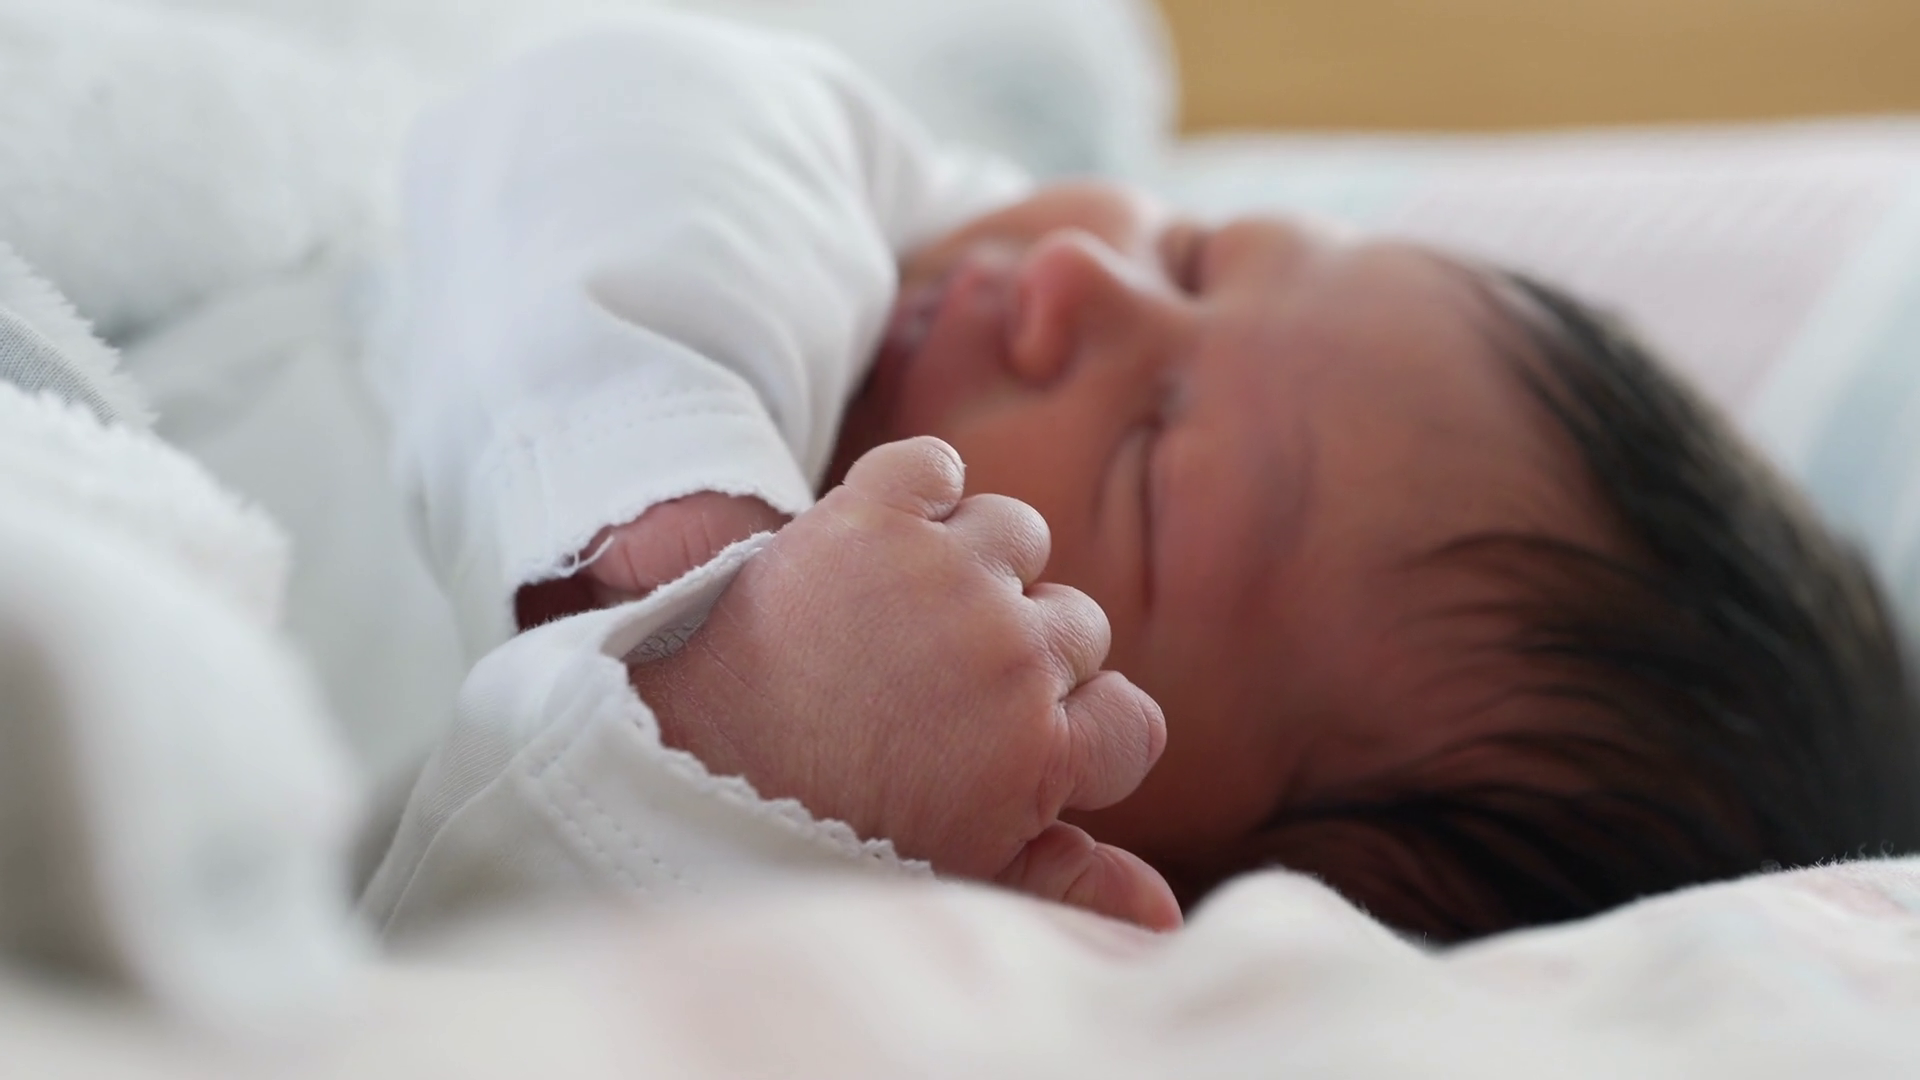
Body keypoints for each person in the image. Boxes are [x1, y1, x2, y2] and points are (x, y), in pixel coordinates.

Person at [363, 11, 1920, 940]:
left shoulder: (871, 951)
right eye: (1192, 252)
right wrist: (687, 529)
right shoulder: (853, 240)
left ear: (1095, 861)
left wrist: (755, 776)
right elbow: (613, 100)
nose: (1074, 279)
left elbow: (459, 969)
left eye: (1150, 460)